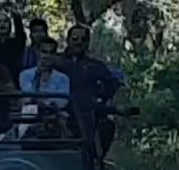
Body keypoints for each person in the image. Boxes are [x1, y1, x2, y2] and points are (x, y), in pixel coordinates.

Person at [56, 24, 121, 157]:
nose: (79, 42)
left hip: (89, 116)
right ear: (68, 40)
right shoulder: (56, 61)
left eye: (83, 39)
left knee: (106, 128)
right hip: (59, 114)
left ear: (88, 43)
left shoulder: (96, 65)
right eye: (75, 38)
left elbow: (110, 86)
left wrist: (101, 96)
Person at [18, 36, 70, 108]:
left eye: (51, 52)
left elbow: (61, 102)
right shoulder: (25, 74)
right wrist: (38, 74)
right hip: (30, 115)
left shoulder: (63, 78)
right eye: (44, 52)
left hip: (53, 116)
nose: (47, 56)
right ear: (37, 52)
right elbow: (29, 96)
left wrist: (44, 104)